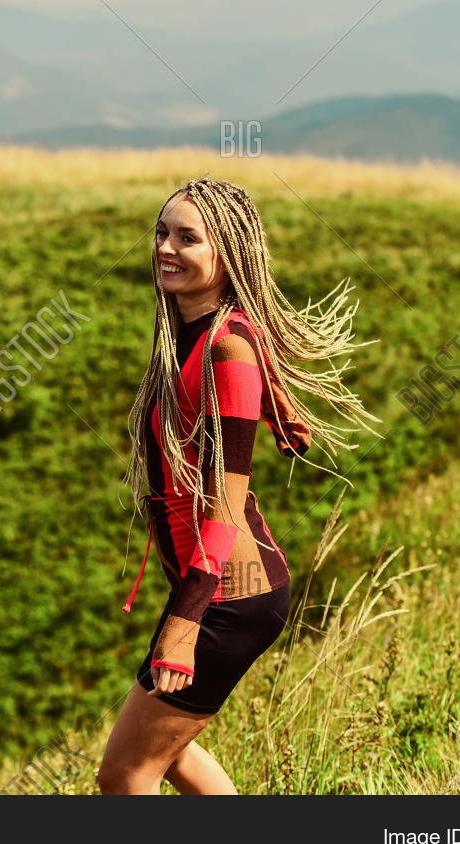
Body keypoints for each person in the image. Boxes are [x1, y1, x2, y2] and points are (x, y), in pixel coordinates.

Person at [97, 178, 380, 795]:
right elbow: (249, 362)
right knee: (171, 756)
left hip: (226, 597)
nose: (165, 248)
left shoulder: (226, 349)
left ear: (227, 256)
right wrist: (277, 406)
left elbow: (225, 503)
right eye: (161, 232)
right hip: (217, 591)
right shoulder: (204, 333)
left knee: (123, 775)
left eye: (187, 238)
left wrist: (185, 620)